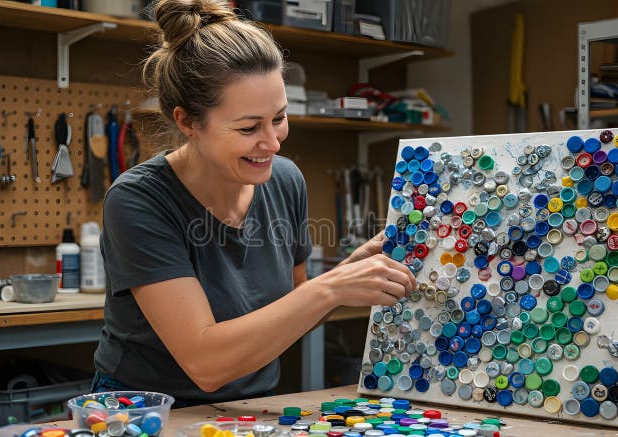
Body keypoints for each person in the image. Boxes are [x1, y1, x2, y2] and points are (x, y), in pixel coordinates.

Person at [91, 0, 416, 407]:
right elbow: (205, 362)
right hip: (145, 413)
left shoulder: (284, 179)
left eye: (278, 118)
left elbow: (293, 311)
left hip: (247, 408)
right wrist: (332, 286)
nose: (273, 142)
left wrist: (353, 271)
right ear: (188, 122)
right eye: (248, 128)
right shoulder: (138, 200)